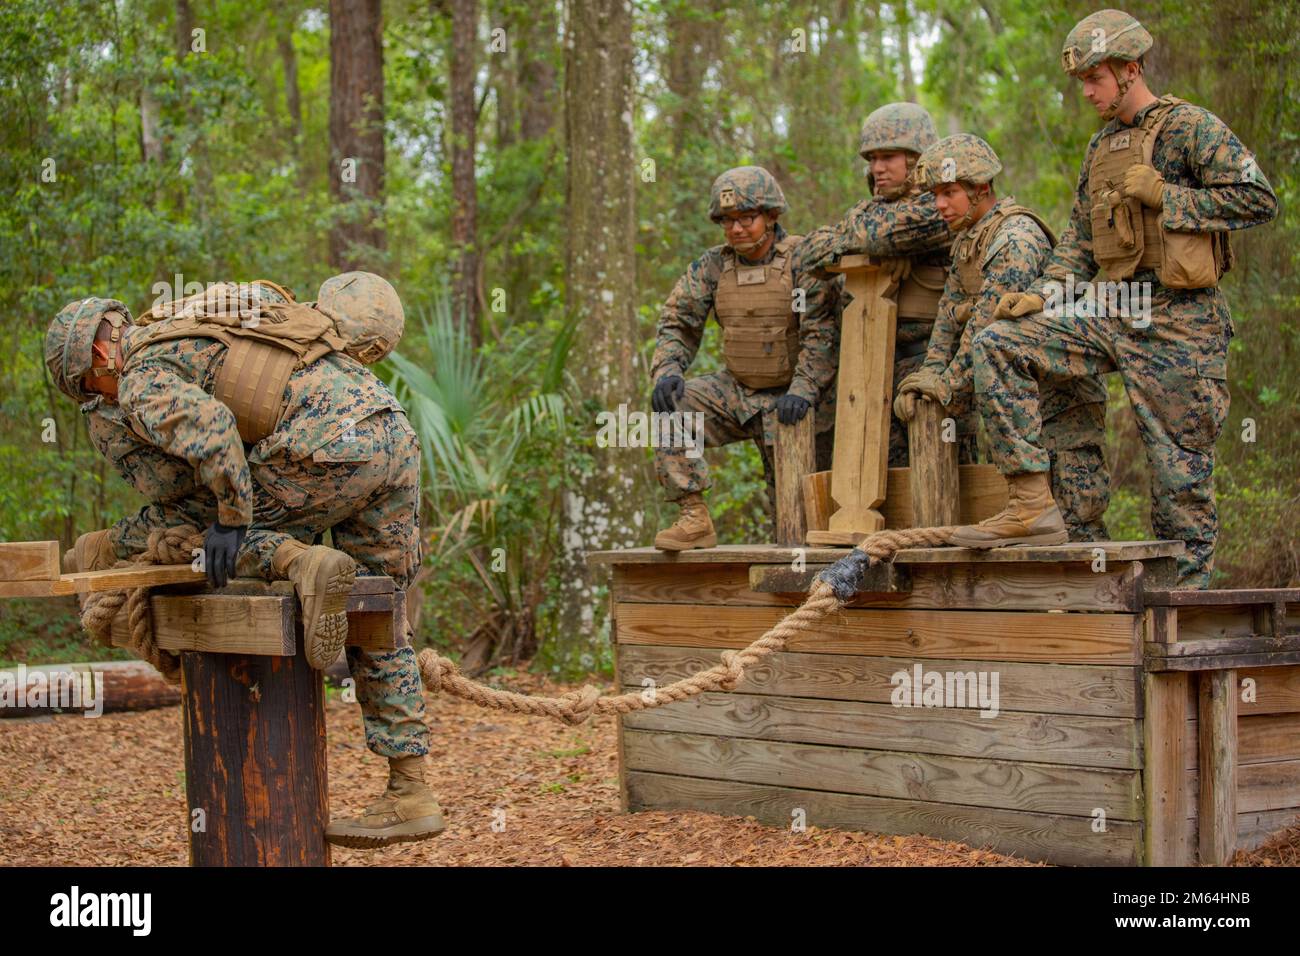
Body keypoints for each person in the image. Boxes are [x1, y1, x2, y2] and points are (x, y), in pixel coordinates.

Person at [45, 275, 445, 847]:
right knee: (378, 612)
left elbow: (214, 432)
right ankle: (411, 790)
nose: (97, 397)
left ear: (100, 353)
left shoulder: (140, 371)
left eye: (87, 385)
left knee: (203, 535)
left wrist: (232, 522)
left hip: (322, 442)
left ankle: (298, 562)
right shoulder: (204, 325)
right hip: (392, 435)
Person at [949, 10, 1277, 588]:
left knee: (1181, 482)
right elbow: (1078, 240)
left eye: (1094, 78)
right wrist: (1044, 295)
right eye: (1080, 81)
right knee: (1000, 342)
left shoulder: (1189, 128)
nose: (1086, 92)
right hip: (1111, 307)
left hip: (1181, 322)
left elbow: (1257, 199)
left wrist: (1169, 197)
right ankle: (1031, 503)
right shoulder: (1102, 147)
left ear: (1130, 70)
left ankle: (1182, 611)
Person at [895, 133, 1111, 541]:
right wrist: (928, 376)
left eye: (949, 193)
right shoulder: (968, 240)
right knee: (1030, 527)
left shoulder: (1015, 239)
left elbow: (983, 327)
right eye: (935, 194)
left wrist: (945, 388)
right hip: (1020, 407)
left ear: (980, 190)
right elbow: (949, 314)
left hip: (1062, 408)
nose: (939, 204)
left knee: (1077, 525)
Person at [650, 165, 841, 550]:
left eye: (747, 218)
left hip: (798, 400)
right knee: (671, 405)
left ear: (771, 216)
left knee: (799, 523)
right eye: (728, 221)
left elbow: (822, 333)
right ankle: (694, 517)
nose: (736, 229)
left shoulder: (803, 259)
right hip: (739, 392)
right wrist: (668, 369)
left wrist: (804, 390)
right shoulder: (713, 266)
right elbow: (677, 321)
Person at [798, 102, 979, 465]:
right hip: (873, 367)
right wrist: (872, 246)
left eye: (889, 157)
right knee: (882, 484)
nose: (877, 168)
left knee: (945, 480)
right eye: (872, 159)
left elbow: (878, 234)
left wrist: (870, 240)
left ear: (916, 159)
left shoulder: (941, 206)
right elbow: (807, 253)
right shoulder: (873, 210)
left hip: (935, 365)